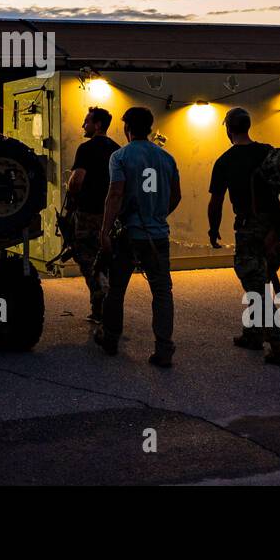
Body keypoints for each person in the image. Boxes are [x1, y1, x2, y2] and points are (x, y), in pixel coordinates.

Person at [96, 106, 181, 367]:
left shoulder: (119, 157)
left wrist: (105, 230)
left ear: (127, 128)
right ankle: (163, 349)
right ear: (150, 128)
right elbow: (175, 196)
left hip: (129, 234)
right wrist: (156, 214)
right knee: (162, 292)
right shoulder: (166, 158)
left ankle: (110, 338)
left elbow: (115, 194)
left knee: (116, 288)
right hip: (158, 236)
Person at [208, 107, 280, 364]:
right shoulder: (268, 152)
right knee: (260, 279)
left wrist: (214, 229)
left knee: (254, 285)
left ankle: (279, 343)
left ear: (228, 129)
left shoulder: (225, 161)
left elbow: (216, 201)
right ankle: (253, 335)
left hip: (248, 228)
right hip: (271, 227)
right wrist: (277, 231)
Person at [63, 107, 119, 322]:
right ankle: (100, 310)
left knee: (84, 255)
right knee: (105, 255)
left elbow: (76, 182)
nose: (82, 126)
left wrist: (71, 193)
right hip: (110, 213)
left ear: (97, 125)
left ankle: (99, 288)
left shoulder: (86, 149)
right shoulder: (117, 149)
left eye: (86, 122)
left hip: (87, 212)